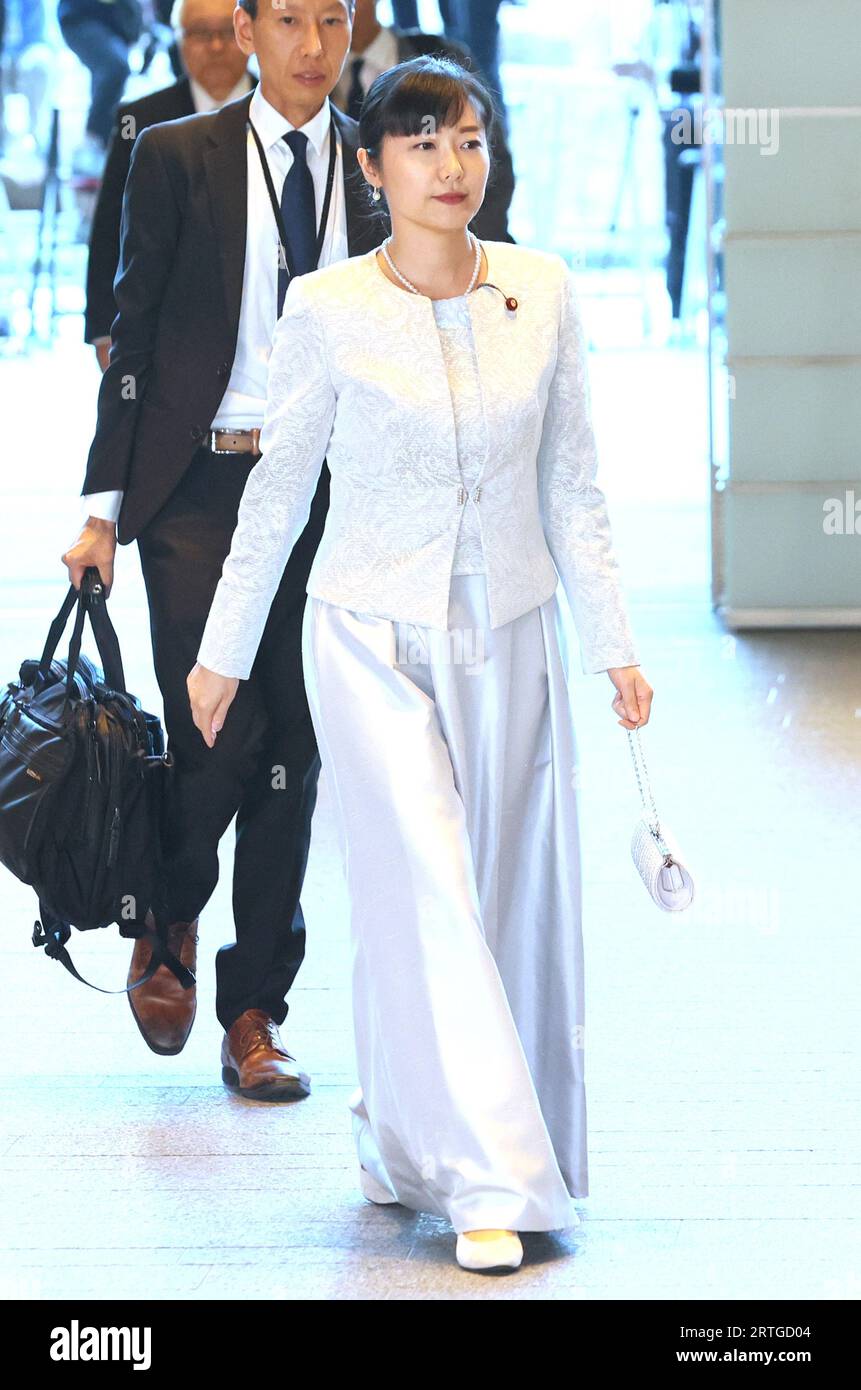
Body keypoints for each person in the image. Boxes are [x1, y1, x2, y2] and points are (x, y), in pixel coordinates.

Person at [189, 55, 654, 1272]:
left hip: (513, 628)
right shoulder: (328, 306)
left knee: (489, 899)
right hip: (365, 631)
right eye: (425, 144)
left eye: (471, 142)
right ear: (372, 164)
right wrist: (224, 648)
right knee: (432, 894)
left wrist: (615, 647)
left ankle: (401, 1138)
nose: (454, 167)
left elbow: (575, 486)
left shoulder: (542, 291)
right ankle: (489, 1182)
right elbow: (280, 488)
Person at [61, 0, 383, 1099]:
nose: (310, 44)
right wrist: (103, 508)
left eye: (329, 21)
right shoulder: (175, 155)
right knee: (220, 725)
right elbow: (132, 335)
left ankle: (253, 1009)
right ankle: (166, 911)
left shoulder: (380, 161)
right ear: (246, 33)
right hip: (199, 483)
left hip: (332, 493)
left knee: (295, 744)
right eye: (285, 20)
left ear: (356, 28)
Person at [86, 0, 255, 369]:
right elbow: (111, 225)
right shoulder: (140, 119)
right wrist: (103, 328)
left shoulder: (278, 108)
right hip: (165, 325)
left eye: (226, 32)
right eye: (199, 33)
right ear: (178, 40)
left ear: (248, 34)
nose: (215, 46)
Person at [333, 0, 514, 240]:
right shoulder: (308, 80)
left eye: (469, 144)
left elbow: (497, 173)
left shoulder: (448, 60)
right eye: (425, 145)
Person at [58, 0, 144, 177]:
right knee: (115, 67)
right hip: (82, 16)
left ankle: (104, 144)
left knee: (114, 76)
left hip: (120, 23)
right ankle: (93, 139)